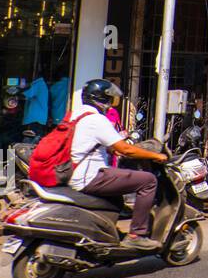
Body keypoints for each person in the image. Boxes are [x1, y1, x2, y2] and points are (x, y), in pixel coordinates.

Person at [68, 79, 169, 251]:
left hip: (76, 174)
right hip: (92, 176)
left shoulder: (75, 115)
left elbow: (98, 145)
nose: (111, 103)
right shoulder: (96, 120)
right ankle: (137, 235)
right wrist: (156, 155)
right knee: (148, 180)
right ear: (101, 99)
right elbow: (126, 149)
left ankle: (106, 232)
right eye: (109, 99)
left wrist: (111, 150)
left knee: (118, 194)